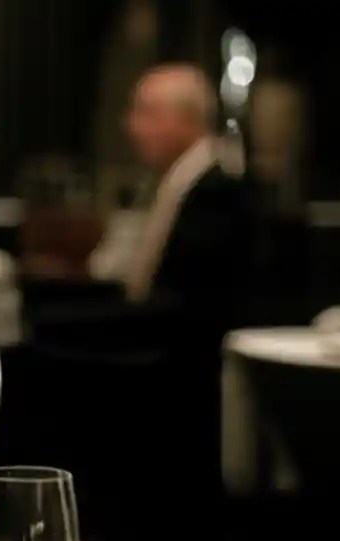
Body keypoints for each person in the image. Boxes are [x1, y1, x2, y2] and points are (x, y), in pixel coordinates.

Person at [119, 63, 255, 337]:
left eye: (147, 114)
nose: (131, 127)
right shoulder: (179, 179)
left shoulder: (215, 192)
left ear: (187, 121)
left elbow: (190, 308)